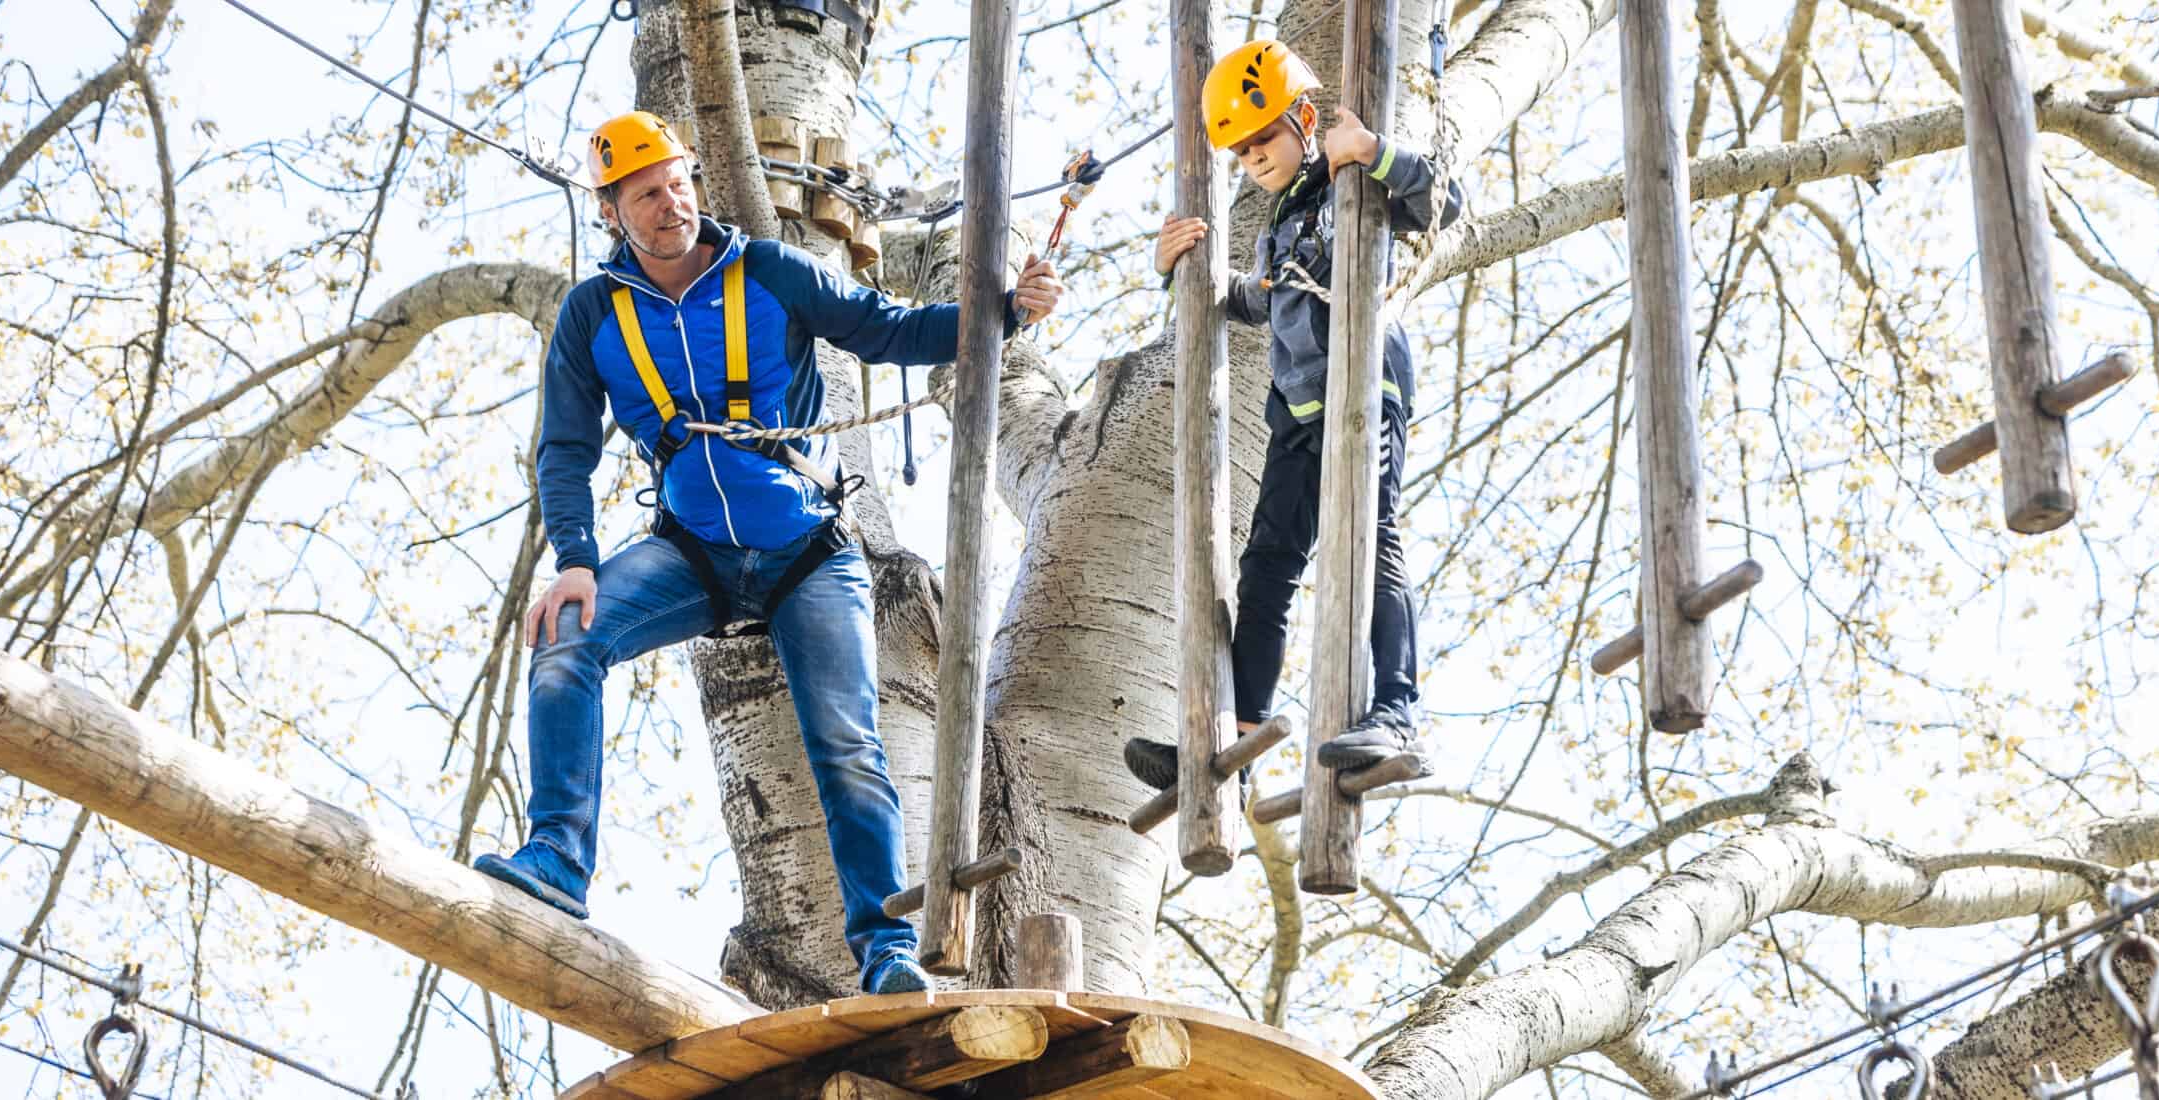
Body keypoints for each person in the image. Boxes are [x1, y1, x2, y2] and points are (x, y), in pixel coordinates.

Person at [471, 111, 1062, 996]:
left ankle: (886, 949)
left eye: (677, 184)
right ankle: (558, 854)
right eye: (646, 195)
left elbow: (885, 328)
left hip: (808, 555)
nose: (670, 205)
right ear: (613, 212)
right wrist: (578, 557)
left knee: (848, 745)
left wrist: (1004, 314)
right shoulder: (594, 314)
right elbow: (565, 449)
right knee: (567, 640)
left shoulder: (769, 272)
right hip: (694, 555)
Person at [1124, 40, 1461, 790]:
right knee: (1267, 565)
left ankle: (1397, 708)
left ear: (1304, 117)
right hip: (1299, 408)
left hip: (1367, 381)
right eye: (1241, 153)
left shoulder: (1350, 178)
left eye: (1264, 138)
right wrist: (1184, 271)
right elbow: (1267, 298)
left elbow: (1442, 202)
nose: (1254, 158)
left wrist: (1373, 153)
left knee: (1369, 538)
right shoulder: (1282, 216)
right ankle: (1236, 737)